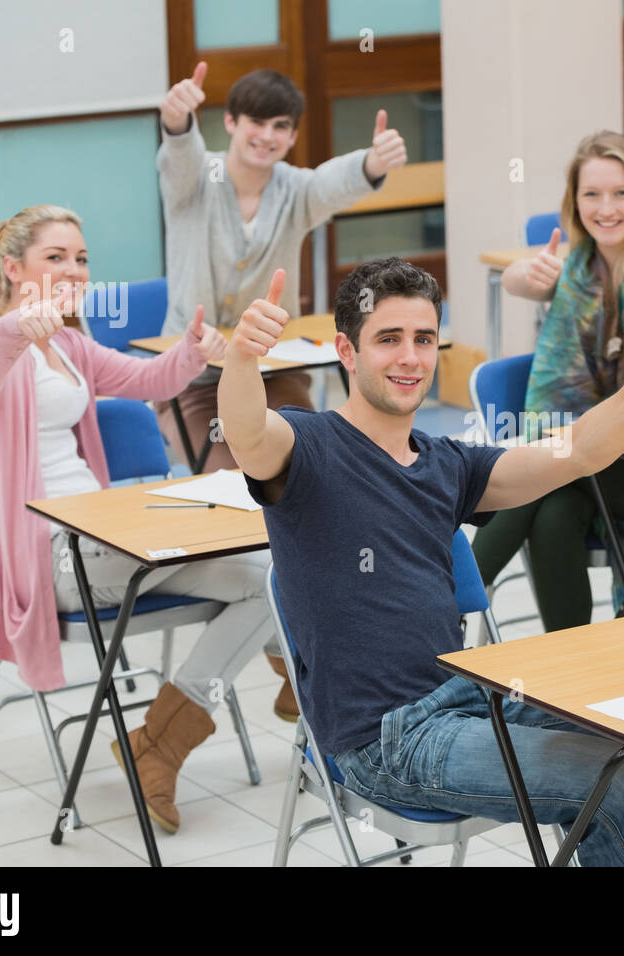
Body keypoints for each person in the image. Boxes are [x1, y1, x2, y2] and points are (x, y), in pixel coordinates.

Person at [218, 258, 624, 866]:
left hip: (472, 699)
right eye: (388, 339)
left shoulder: (447, 463)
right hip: (390, 741)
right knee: (614, 782)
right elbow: (247, 435)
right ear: (346, 353)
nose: (411, 357)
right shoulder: (309, 448)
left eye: (424, 339)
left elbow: (577, 454)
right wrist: (243, 360)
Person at [0, 205, 277, 834]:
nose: (74, 270)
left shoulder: (71, 345)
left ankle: (160, 743)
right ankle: (297, 668)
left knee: (262, 577)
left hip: (107, 541)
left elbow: (145, 377)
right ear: (12, 268)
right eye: (56, 258)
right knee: (188, 533)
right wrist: (17, 326)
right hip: (55, 558)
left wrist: (193, 349)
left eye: (81, 259)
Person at [155, 62, 406, 713]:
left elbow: (335, 182)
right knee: (251, 499)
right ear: (230, 124)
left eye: (281, 127)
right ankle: (299, 660)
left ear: (290, 135)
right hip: (197, 379)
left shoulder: (294, 188)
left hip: (275, 372)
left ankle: (305, 658)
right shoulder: (198, 180)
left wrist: (374, 163)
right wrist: (178, 119)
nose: (266, 137)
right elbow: (178, 160)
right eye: (254, 123)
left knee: (322, 489)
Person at [470, 130, 624, 632]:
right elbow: (518, 281)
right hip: (586, 464)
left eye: (621, 193)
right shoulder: (576, 270)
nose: (607, 208)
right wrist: (520, 273)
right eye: (591, 195)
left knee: (543, 467)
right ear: (573, 202)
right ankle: (571, 676)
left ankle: (442, 604)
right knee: (555, 503)